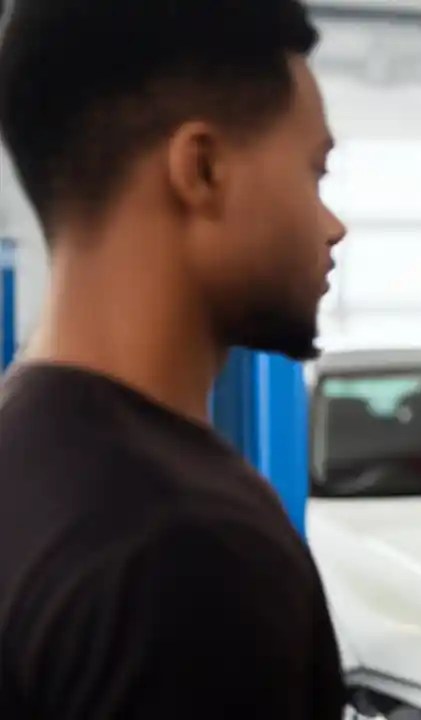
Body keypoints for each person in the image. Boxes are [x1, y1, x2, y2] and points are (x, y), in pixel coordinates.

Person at [0, 1, 348, 717]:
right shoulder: (187, 554)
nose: (332, 224)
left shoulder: (22, 448)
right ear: (203, 168)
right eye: (314, 171)